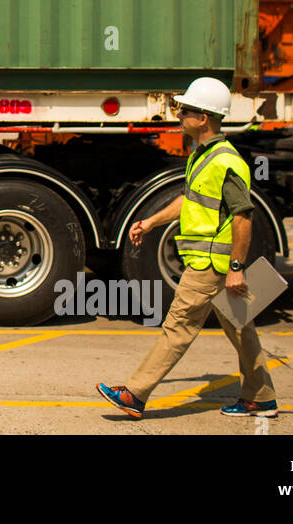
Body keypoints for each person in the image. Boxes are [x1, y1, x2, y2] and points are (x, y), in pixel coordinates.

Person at [96, 77, 278, 419]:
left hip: (212, 263)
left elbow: (244, 216)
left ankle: (135, 394)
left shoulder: (226, 161)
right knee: (241, 327)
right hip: (210, 260)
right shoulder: (203, 156)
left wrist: (236, 269)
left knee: (178, 326)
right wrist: (150, 223)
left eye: (185, 110)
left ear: (204, 118)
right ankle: (261, 397)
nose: (178, 115)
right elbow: (188, 201)